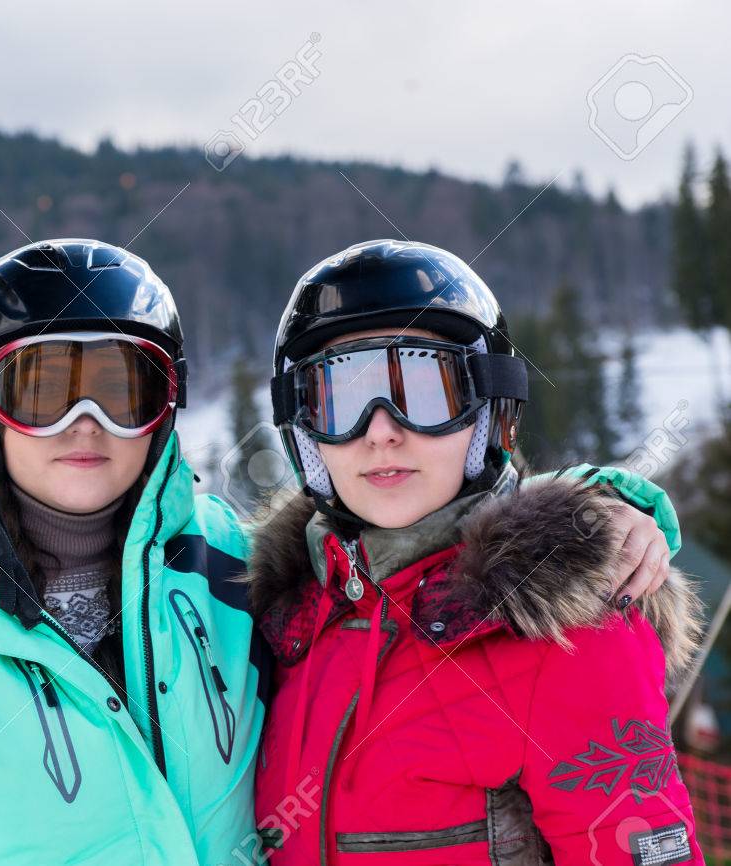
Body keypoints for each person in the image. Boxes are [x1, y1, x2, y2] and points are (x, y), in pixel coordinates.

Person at [0, 238, 683, 865]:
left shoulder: (225, 586)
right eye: (43, 388)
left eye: (123, 388)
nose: (381, 431)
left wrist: (606, 515)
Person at [250, 239, 703, 865]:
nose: (381, 430)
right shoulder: (282, 625)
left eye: (423, 391)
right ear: (304, 428)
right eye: (343, 397)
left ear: (487, 415)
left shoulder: (567, 630)